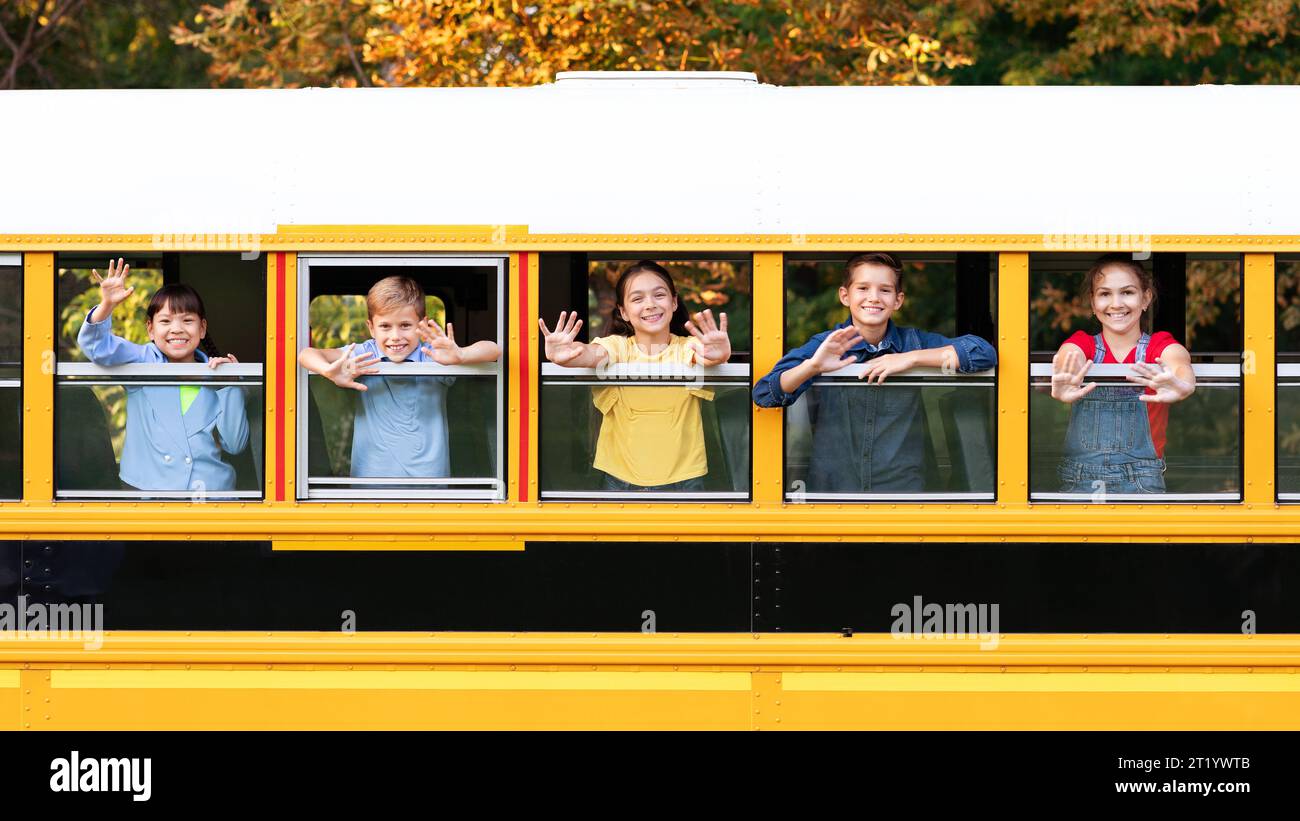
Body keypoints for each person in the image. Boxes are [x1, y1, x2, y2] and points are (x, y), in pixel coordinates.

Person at [753, 252, 997, 492]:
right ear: (845, 296)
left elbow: (983, 353)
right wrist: (813, 366)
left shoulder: (913, 343)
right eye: (863, 288)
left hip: (901, 486)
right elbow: (766, 393)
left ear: (898, 300)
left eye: (885, 290)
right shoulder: (825, 345)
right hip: (833, 487)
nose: (874, 297)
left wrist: (909, 359)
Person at [539, 260, 732, 491]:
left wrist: (719, 354)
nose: (650, 304)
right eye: (638, 298)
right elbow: (591, 354)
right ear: (624, 312)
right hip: (619, 482)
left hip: (685, 482)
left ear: (674, 302)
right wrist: (564, 355)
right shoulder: (617, 347)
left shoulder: (687, 346)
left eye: (659, 295)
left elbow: (705, 356)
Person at [298, 275, 500, 479]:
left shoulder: (432, 355)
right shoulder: (367, 353)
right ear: (371, 328)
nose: (395, 336)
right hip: (369, 483)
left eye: (405, 325)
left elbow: (494, 350)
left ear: (421, 325)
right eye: (385, 326)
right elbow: (306, 355)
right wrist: (329, 371)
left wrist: (460, 356)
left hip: (430, 483)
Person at [77, 258, 249, 492]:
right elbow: (94, 346)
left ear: (202, 328)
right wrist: (107, 304)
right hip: (147, 495)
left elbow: (236, 444)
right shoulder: (142, 359)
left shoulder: (215, 373)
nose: (177, 329)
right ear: (150, 329)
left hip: (209, 496)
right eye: (165, 321)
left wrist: (229, 384)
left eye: (187, 320)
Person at [1049, 254, 1195, 495]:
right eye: (1105, 294)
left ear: (1145, 298)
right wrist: (1065, 373)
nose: (1116, 303)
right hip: (1079, 480)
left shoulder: (1158, 345)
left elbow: (1179, 362)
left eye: (1127, 292)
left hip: (1142, 481)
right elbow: (1068, 354)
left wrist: (1183, 384)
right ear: (1093, 303)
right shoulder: (1082, 343)